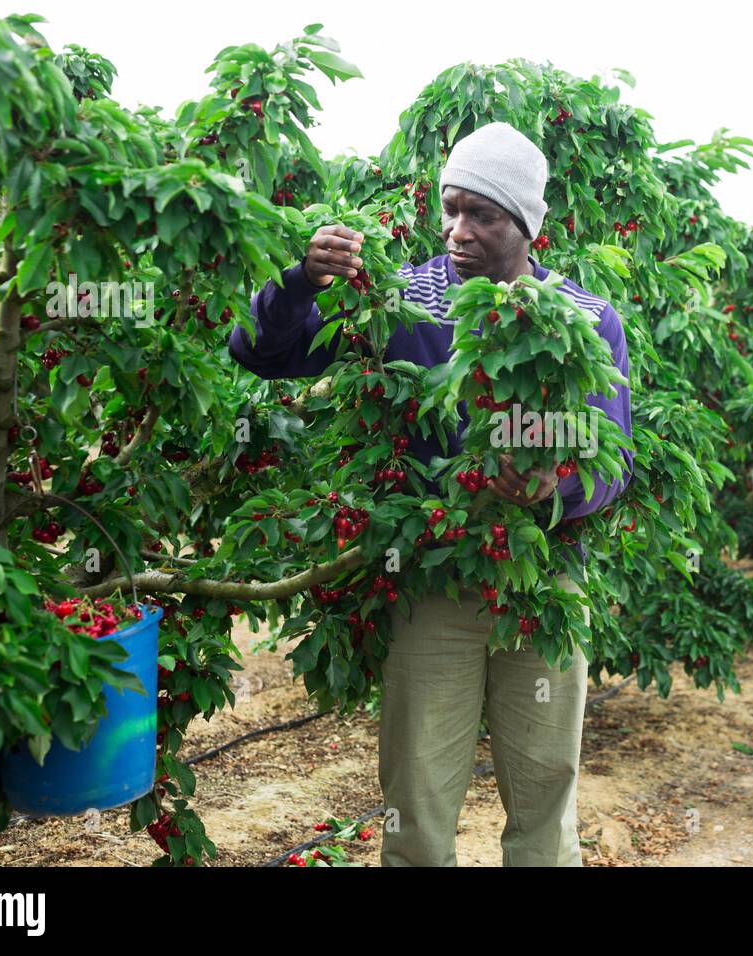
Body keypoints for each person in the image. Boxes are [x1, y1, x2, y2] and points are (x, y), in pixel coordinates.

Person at [228, 121, 633, 867]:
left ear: (526, 223)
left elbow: (614, 461)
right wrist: (299, 283)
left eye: (483, 214)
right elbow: (266, 354)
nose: (458, 230)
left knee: (547, 790)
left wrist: (556, 485)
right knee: (415, 800)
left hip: (542, 586)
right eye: (450, 209)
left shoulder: (585, 320)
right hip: (435, 584)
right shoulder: (398, 299)